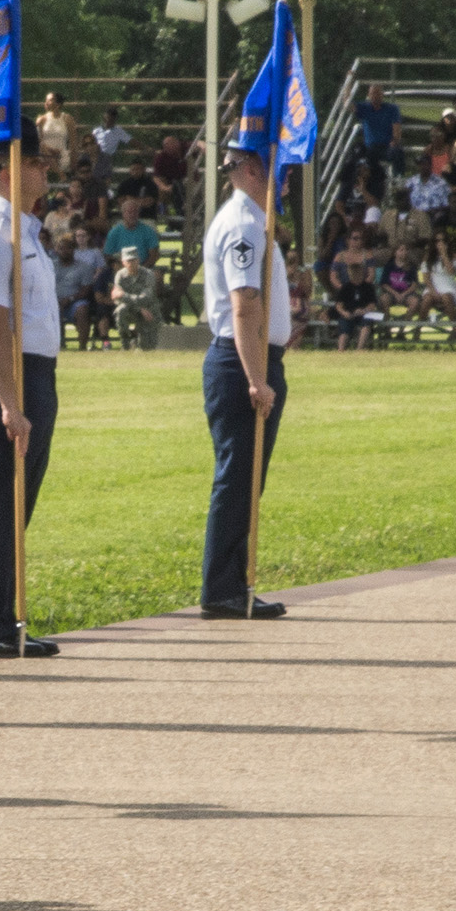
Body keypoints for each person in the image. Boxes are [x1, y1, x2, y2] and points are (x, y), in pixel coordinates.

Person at [0, 145, 60, 657]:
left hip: (35, 371)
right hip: (9, 374)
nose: (46, 169)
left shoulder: (25, 232)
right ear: (7, 170)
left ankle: (5, 617)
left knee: (15, 505)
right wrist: (10, 401)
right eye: (36, 161)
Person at [199, 144, 291, 622]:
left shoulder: (253, 220)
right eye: (280, 166)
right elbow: (244, 304)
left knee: (245, 480)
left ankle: (234, 583)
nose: (287, 177)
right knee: (238, 478)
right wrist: (258, 377)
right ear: (256, 168)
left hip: (251, 357)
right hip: (241, 363)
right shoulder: (243, 224)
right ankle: (222, 588)